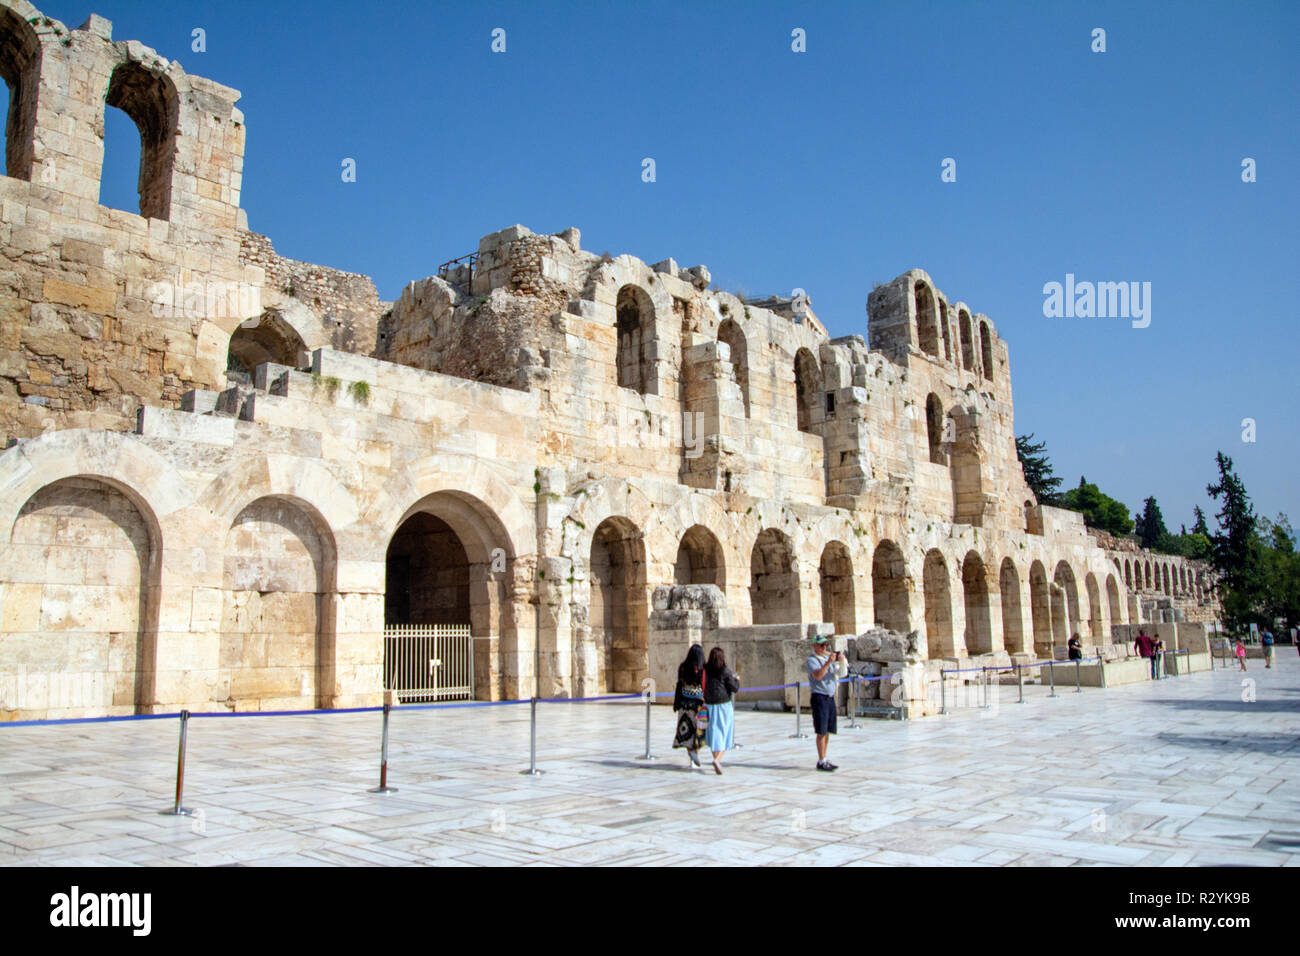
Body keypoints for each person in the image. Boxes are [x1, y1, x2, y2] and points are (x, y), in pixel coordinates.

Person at [805, 635, 846, 772]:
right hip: (820, 698)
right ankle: (821, 760)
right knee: (821, 730)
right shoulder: (812, 660)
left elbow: (841, 674)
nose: (824, 648)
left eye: (825, 645)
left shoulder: (826, 659)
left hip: (830, 697)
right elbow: (818, 676)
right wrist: (828, 663)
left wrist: (841, 662)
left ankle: (825, 757)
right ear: (815, 646)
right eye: (821, 645)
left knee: (828, 730)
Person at [702, 646, 740, 775]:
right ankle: (718, 760)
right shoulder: (725, 671)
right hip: (723, 706)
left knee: (713, 733)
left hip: (709, 705)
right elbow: (734, 688)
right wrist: (737, 681)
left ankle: (715, 759)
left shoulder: (705, 670)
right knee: (724, 733)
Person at [672, 645, 707, 768]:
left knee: (687, 731)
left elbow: (679, 684)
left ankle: (691, 756)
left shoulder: (682, 667)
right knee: (698, 732)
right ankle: (694, 754)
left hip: (684, 704)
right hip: (697, 705)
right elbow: (704, 685)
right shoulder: (701, 668)